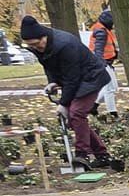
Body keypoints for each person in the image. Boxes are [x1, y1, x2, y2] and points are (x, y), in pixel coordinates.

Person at [20, 14, 112, 166]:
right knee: (73, 117)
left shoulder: (65, 44)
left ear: (44, 36)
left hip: (91, 77)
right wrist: (53, 82)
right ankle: (102, 156)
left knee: (76, 113)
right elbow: (49, 66)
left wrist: (63, 103)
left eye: (37, 44)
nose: (36, 48)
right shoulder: (40, 47)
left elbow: (72, 78)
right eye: (32, 46)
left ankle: (82, 155)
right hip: (75, 79)